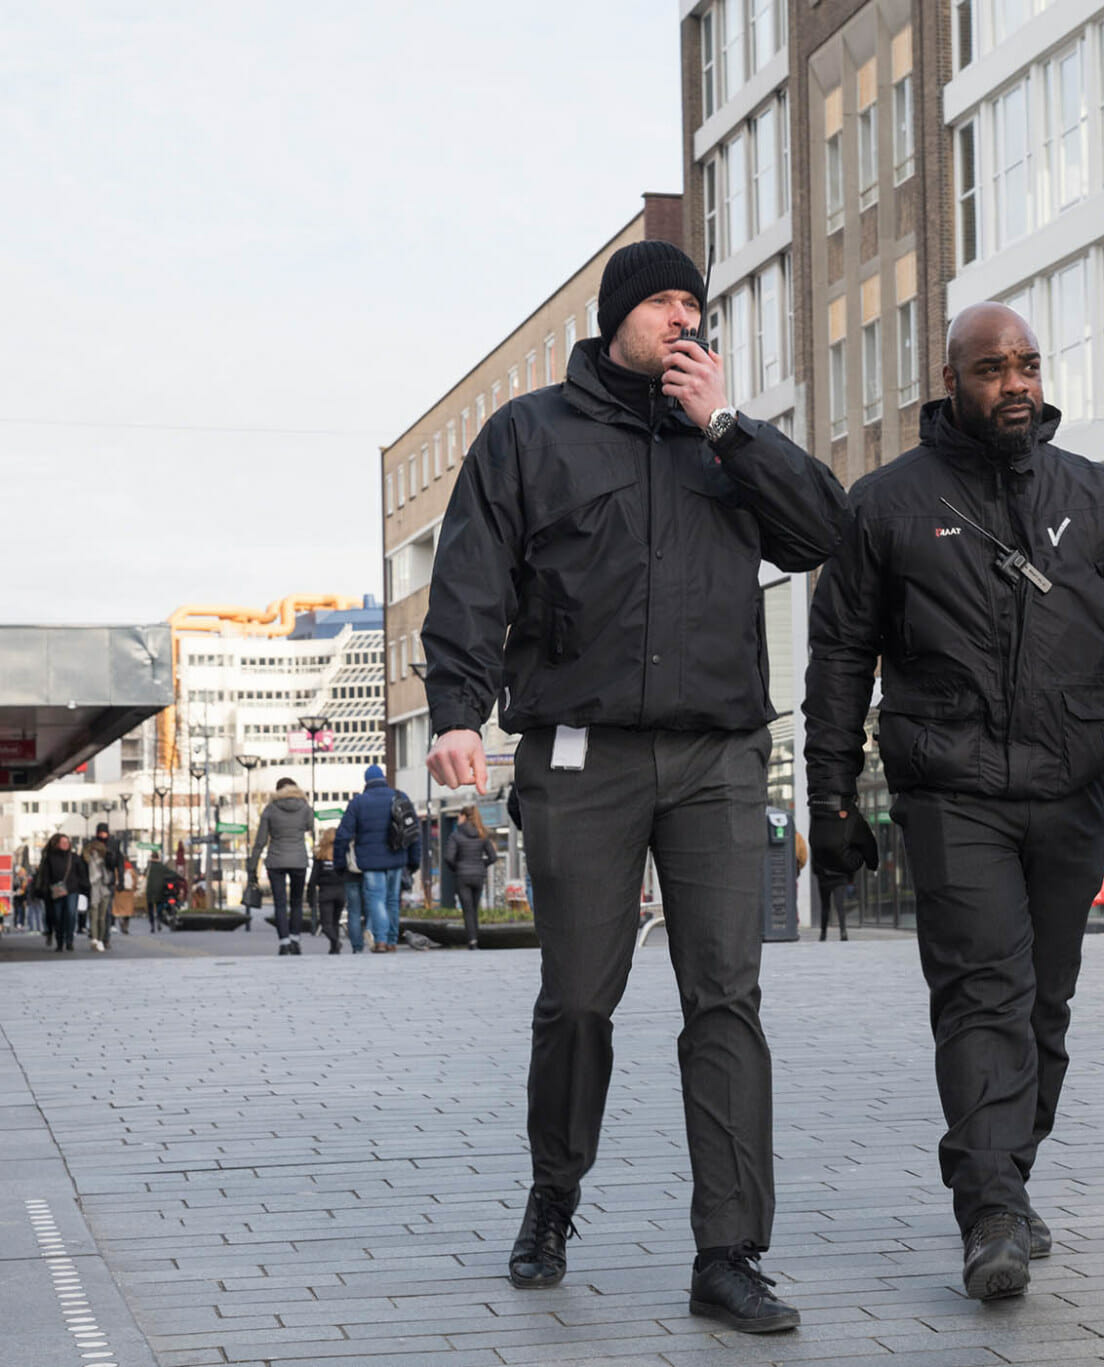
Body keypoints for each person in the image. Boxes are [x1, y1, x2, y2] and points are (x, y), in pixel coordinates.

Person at [422, 239, 846, 1332]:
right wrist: (458, 710)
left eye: (694, 305)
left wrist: (728, 426)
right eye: (664, 300)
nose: (682, 317)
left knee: (725, 998)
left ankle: (729, 1253)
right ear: (619, 315)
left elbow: (823, 530)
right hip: (581, 754)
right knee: (576, 998)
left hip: (714, 756)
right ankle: (554, 1194)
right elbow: (471, 576)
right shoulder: (529, 435)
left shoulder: (725, 442)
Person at [804, 302, 1104, 1301]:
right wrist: (830, 793)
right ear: (952, 382)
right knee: (983, 992)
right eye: (991, 369)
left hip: (1073, 783)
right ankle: (988, 1211)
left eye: (1027, 364)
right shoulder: (885, 504)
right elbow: (841, 655)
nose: (1014, 383)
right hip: (951, 792)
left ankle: (1007, 1176)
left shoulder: (1095, 495)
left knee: (1045, 1004)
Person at [333, 765, 424, 954]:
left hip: (371, 863)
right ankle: (391, 941)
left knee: (377, 900)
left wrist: (340, 863)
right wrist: (414, 860)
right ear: (383, 778)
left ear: (366, 782)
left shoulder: (358, 803)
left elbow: (343, 835)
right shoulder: (400, 797)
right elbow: (414, 831)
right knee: (392, 901)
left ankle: (381, 940)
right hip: (397, 859)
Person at [248, 778, 318, 956]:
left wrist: (252, 867)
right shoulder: (304, 808)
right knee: (296, 903)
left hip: (276, 861)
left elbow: (260, 842)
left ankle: (284, 943)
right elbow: (311, 829)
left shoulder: (270, 809)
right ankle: (295, 940)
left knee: (280, 903)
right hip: (298, 861)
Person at [444, 804, 497, 949]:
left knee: (467, 909)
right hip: (478, 876)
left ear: (463, 817)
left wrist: (457, 867)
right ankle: (476, 939)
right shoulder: (482, 834)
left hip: (462, 876)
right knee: (474, 908)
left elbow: (449, 857)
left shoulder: (456, 835)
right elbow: (493, 857)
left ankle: (472, 941)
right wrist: (481, 864)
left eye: (459, 816)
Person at [32, 833, 88, 952]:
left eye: (67, 843)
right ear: (57, 844)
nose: (65, 845)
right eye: (63, 843)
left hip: (72, 890)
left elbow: (81, 873)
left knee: (70, 914)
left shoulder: (74, 857)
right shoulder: (50, 858)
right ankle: (60, 941)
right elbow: (46, 875)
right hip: (56, 890)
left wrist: (83, 886)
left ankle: (69, 941)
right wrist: (46, 888)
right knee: (57, 916)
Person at [310, 830, 349, 955]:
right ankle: (334, 948)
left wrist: (310, 897)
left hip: (326, 893)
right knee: (335, 923)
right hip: (340, 893)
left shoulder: (320, 857)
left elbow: (313, 879)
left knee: (326, 925)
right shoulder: (342, 855)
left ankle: (335, 942)